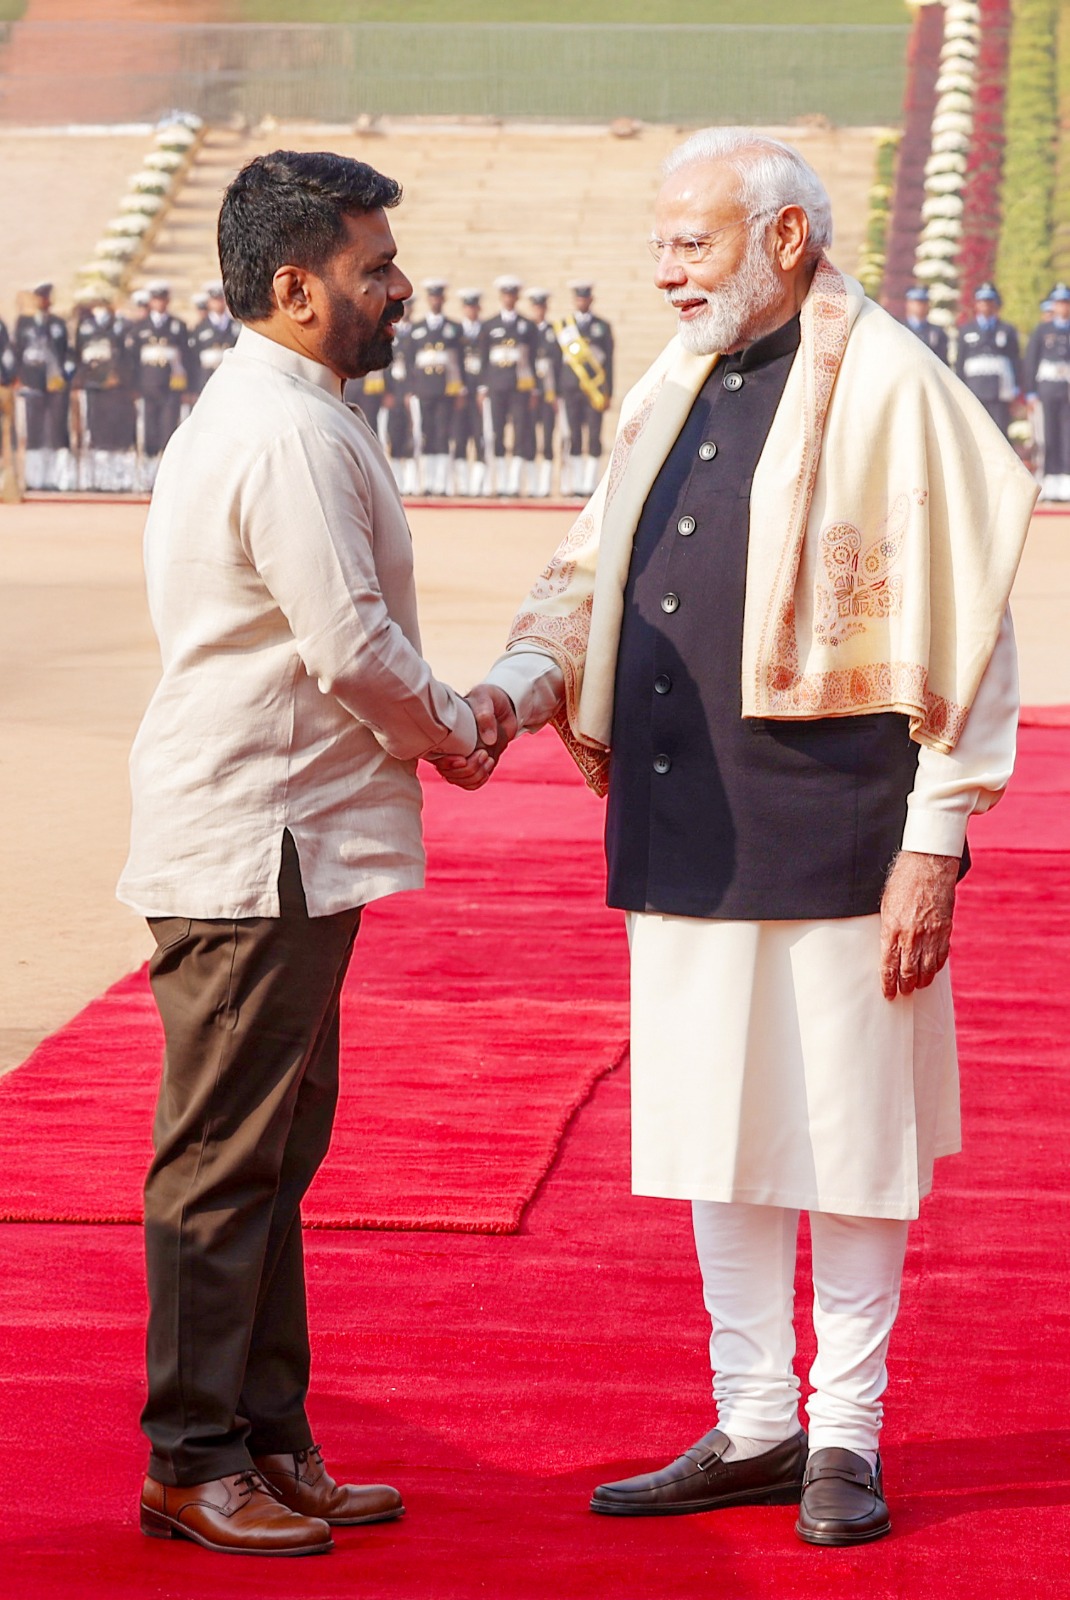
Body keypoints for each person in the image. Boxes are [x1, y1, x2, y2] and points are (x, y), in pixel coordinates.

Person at [460, 127, 1035, 1548]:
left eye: (691, 243)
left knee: (850, 1137)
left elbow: (973, 628)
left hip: (841, 827)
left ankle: (843, 1431)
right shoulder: (674, 376)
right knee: (714, 1131)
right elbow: (592, 563)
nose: (664, 270)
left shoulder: (891, 384)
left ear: (784, 238)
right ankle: (752, 1421)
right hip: (685, 817)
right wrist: (512, 691)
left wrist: (935, 836)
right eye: (658, 243)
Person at [117, 148, 514, 1560]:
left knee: (275, 1158)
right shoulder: (283, 429)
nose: (397, 289)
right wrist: (459, 728)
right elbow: (348, 645)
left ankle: (267, 1439)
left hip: (285, 834)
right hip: (253, 837)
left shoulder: (298, 409)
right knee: (224, 1164)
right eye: (371, 268)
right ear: (294, 287)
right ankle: (191, 1454)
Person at [70, 290, 138, 492]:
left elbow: (128, 357)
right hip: (95, 389)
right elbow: (81, 358)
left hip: (119, 389)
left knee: (120, 435)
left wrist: (120, 378)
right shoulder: (85, 328)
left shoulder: (123, 326)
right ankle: (98, 479)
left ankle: (121, 480)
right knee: (97, 434)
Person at [13, 280, 75, 491]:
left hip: (56, 385)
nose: (44, 301)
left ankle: (60, 479)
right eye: (40, 297)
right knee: (35, 431)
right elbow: (18, 352)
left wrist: (65, 377)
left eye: (47, 297)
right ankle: (35, 478)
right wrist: (21, 378)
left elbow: (67, 352)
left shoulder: (58, 323)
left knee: (58, 430)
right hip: (33, 383)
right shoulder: (24, 323)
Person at [478, 273, 536, 496]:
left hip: (520, 387)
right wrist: (483, 387)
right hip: (497, 386)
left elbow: (531, 360)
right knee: (497, 432)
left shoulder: (526, 326)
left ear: (517, 297)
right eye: (505, 294)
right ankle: (501, 481)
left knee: (521, 432)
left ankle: (514, 483)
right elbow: (483, 359)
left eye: (512, 294)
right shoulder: (489, 325)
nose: (509, 298)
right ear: (501, 297)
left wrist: (534, 389)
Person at [556, 279, 613, 497]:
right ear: (575, 300)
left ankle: (590, 484)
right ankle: (576, 483)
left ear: (591, 299)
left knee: (594, 435)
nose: (582, 301)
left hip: (595, 391)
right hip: (570, 388)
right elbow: (556, 362)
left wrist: (608, 391)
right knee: (574, 435)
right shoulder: (564, 328)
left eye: (585, 297)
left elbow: (609, 363)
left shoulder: (602, 326)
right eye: (578, 298)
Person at [130, 280, 190, 489]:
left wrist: (186, 388)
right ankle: (148, 475)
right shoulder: (139, 327)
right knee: (148, 430)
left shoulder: (177, 326)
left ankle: (168, 476)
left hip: (171, 387)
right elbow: (133, 360)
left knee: (169, 429)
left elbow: (187, 358)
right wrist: (134, 387)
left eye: (162, 299)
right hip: (148, 385)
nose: (159, 303)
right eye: (155, 299)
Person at [408, 277, 464, 496]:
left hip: (445, 389)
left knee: (442, 434)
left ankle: (441, 484)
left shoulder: (453, 328)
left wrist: (460, 389)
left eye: (438, 297)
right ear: (428, 300)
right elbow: (411, 362)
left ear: (443, 299)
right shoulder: (417, 329)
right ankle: (428, 482)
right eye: (432, 297)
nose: (435, 301)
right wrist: (411, 390)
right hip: (423, 389)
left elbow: (459, 362)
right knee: (426, 434)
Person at [1023, 282, 1070, 502]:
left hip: (1067, 389)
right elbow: (1031, 361)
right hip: (1048, 388)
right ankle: (1050, 480)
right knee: (1048, 434)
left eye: (1066, 302)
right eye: (1059, 302)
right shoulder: (1043, 330)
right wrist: (1030, 393)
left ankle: (1066, 480)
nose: (1063, 307)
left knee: (1067, 434)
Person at [956, 282, 1020, 437]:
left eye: (989, 301)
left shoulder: (1006, 330)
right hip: (974, 391)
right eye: (982, 301)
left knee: (1000, 434)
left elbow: (1015, 360)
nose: (985, 305)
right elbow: (960, 362)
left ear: (996, 304)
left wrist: (1016, 389)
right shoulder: (966, 330)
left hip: (999, 392)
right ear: (976, 304)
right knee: (975, 434)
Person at [452, 287, 488, 496]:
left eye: (474, 307)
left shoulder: (485, 330)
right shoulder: (455, 331)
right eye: (467, 306)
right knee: (459, 436)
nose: (471, 310)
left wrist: (484, 388)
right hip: (460, 392)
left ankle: (478, 486)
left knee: (480, 436)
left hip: (480, 393)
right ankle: (463, 485)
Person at [527, 288, 562, 497]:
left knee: (548, 437)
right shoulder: (526, 329)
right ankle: (532, 485)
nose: (539, 311)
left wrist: (557, 392)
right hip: (530, 392)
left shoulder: (554, 330)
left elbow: (558, 364)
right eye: (536, 307)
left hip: (549, 393)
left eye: (542, 307)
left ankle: (545, 484)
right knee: (529, 437)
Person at [188, 281, 240, 396]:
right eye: (214, 300)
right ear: (209, 302)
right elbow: (193, 358)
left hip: (230, 377)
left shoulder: (236, 326)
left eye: (220, 299)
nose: (218, 303)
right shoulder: (200, 328)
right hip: (206, 377)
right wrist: (192, 387)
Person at [899, 284, 948, 362]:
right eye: (917, 302)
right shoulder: (899, 329)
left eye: (924, 302)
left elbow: (943, 363)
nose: (921, 306)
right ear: (908, 303)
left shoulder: (937, 332)